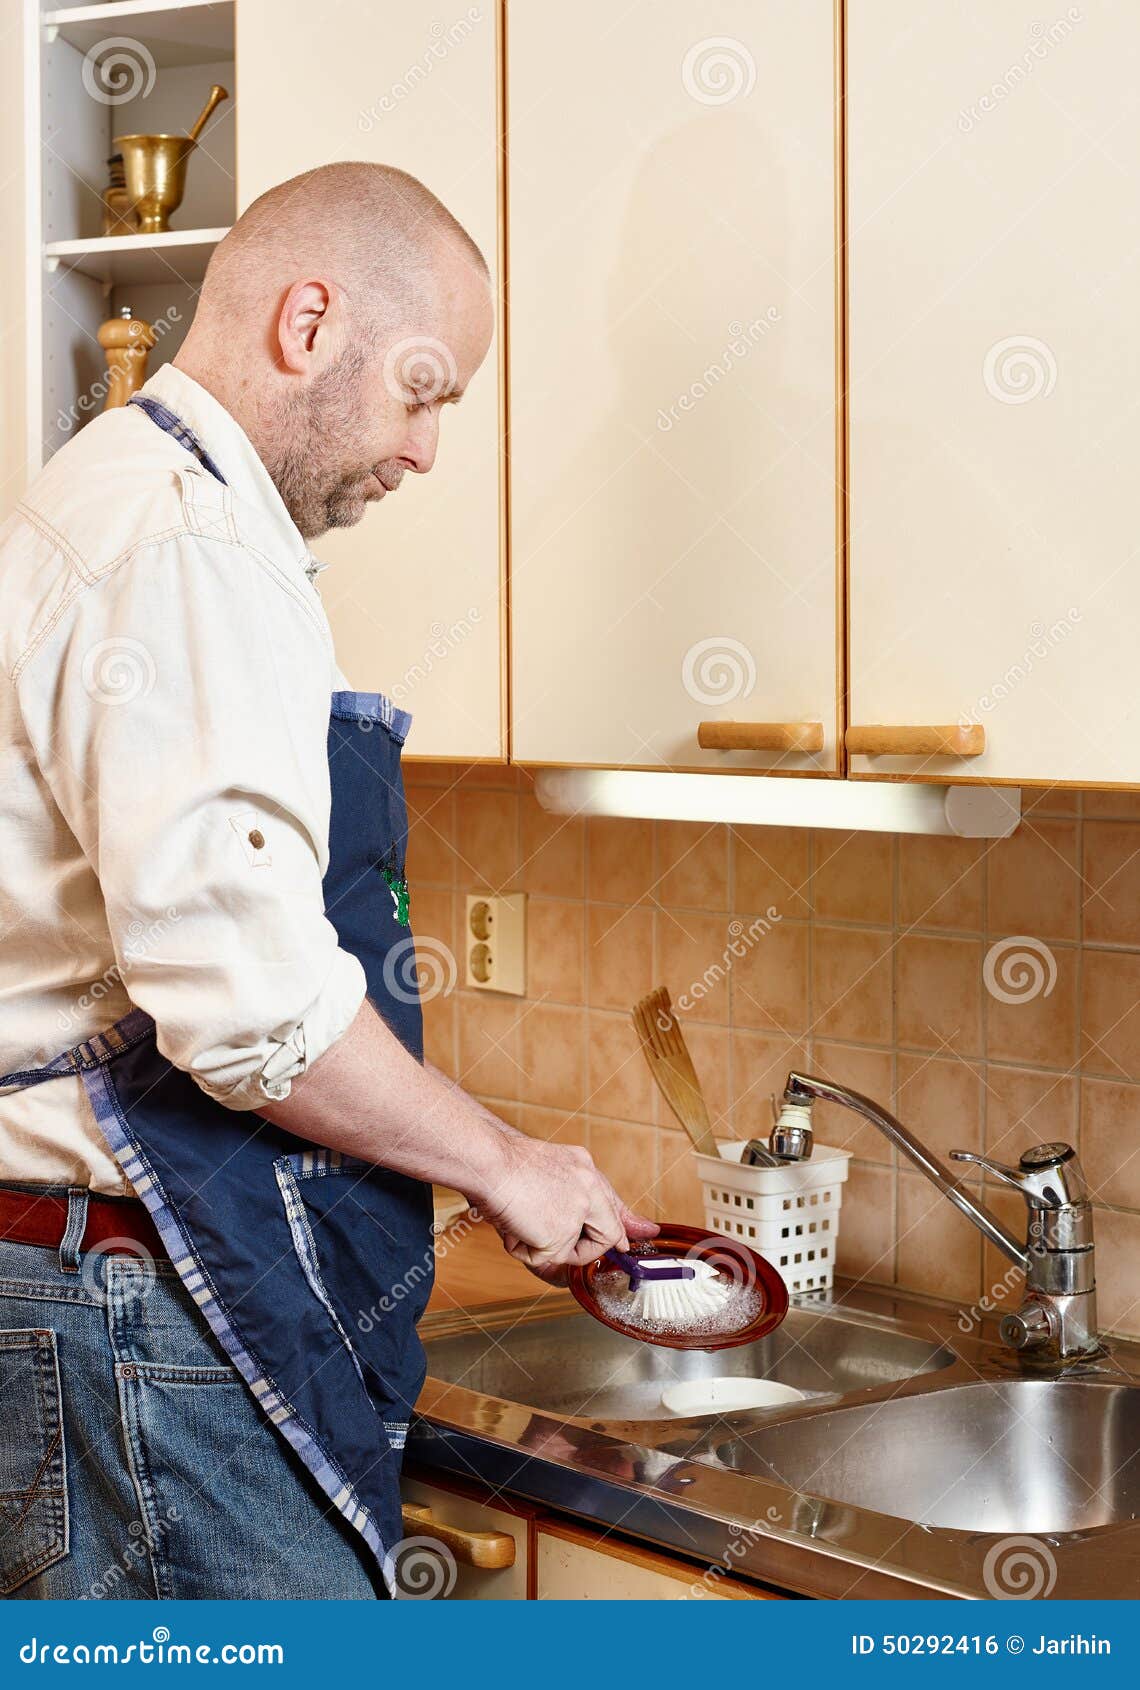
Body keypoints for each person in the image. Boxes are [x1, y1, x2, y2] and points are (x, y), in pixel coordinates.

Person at [0, 162, 655, 1601]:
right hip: (141, 1293)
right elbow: (253, 1011)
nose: (425, 452)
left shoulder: (149, 502)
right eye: (423, 393)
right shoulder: (183, 547)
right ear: (308, 323)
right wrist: (503, 1162)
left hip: (101, 1284)